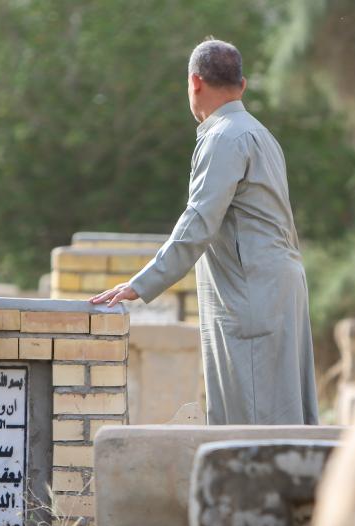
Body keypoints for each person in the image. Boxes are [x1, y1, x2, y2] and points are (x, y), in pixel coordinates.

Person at [91, 38, 319, 425]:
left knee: (250, 429)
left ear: (194, 83)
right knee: (285, 418)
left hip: (250, 297)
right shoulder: (259, 133)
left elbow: (198, 222)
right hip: (279, 289)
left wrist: (141, 284)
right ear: (242, 85)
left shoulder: (223, 137)